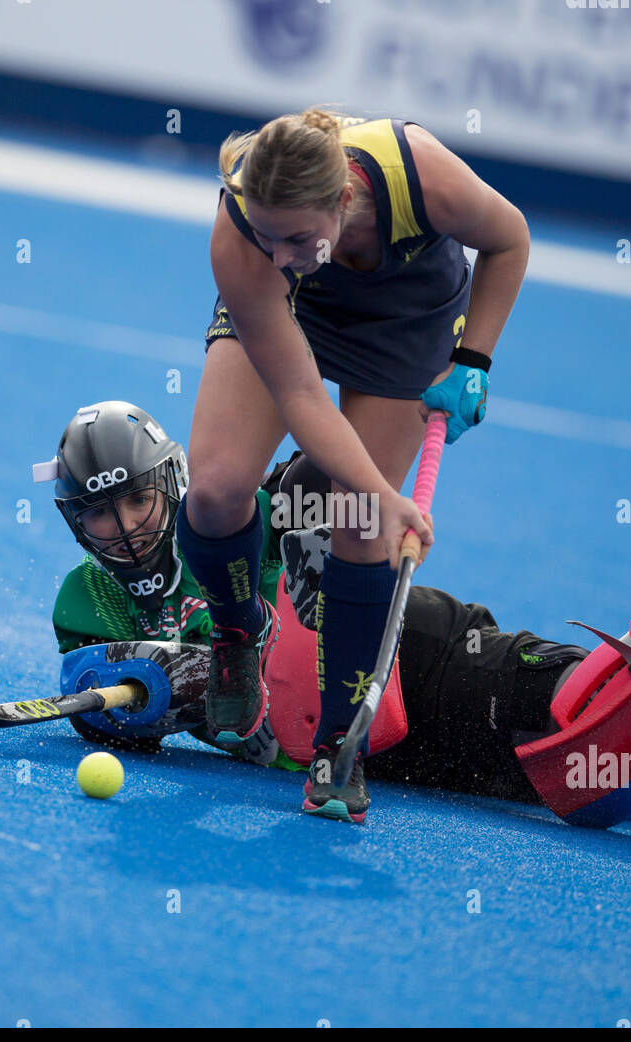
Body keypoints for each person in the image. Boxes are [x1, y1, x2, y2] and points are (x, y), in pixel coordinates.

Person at [36, 401, 631, 826]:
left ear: (172, 486)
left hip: (426, 661)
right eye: (98, 513)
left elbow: (336, 512)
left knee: (587, 710)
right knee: (605, 779)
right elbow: (122, 700)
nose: (121, 529)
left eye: (137, 503)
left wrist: (357, 500)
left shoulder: (233, 521)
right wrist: (116, 688)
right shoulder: (82, 601)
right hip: (394, 761)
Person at [173, 108, 530, 817]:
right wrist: (382, 491)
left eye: (299, 237)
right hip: (294, 317)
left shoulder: (423, 176)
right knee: (214, 491)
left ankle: (341, 743)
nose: (280, 253)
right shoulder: (244, 237)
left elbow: (510, 239)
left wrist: (473, 358)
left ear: (342, 202)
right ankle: (237, 631)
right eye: (268, 237)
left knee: (360, 525)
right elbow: (302, 393)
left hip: (408, 324)